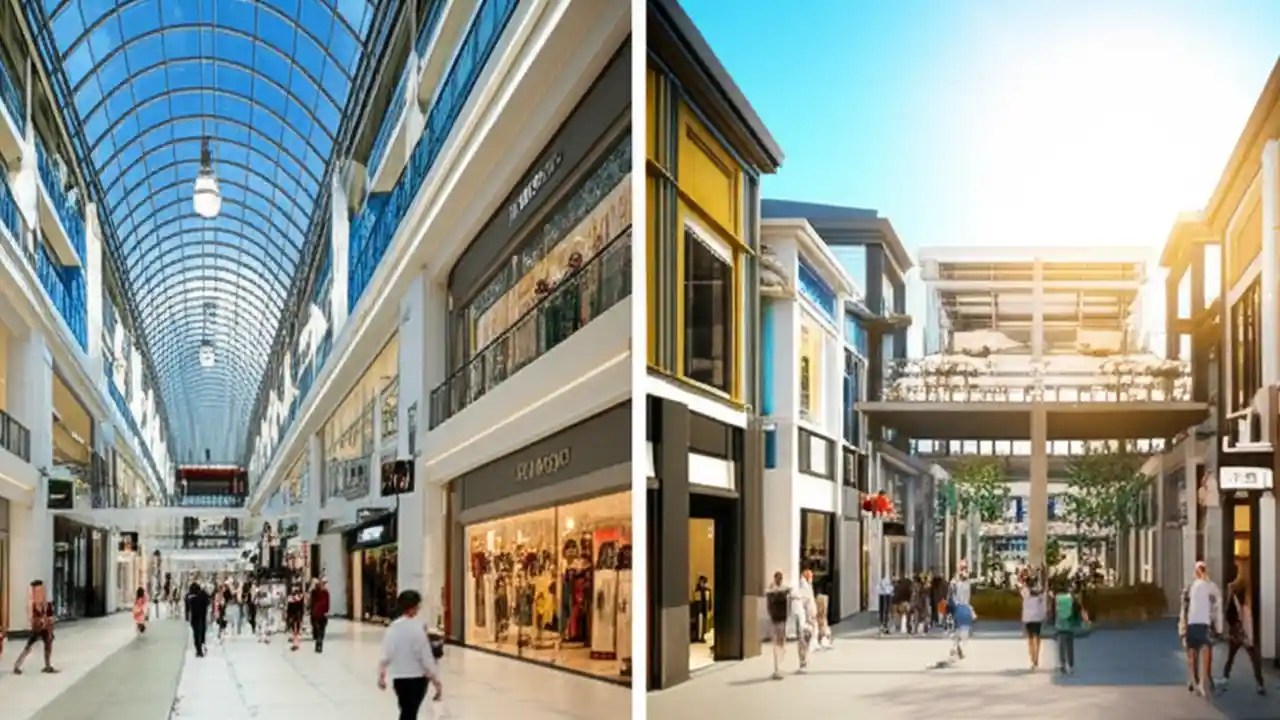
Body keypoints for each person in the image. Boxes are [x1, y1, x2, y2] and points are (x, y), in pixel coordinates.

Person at [378, 590, 443, 720]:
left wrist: (381, 675)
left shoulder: (393, 628)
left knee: (406, 710)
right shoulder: (418, 628)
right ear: (414, 607)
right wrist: (436, 681)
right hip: (417, 678)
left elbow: (386, 654)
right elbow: (425, 657)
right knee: (410, 712)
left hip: (399, 678)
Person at [1179, 560, 1223, 696]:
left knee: (1198, 652)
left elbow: (1217, 604)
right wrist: (1218, 626)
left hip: (1199, 624)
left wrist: (1217, 625)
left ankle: (1198, 681)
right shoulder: (1202, 587)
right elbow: (1184, 608)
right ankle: (1196, 680)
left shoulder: (1204, 586)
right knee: (1197, 653)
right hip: (1197, 624)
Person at [1219, 570, 1266, 695]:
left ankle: (1225, 677)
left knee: (1232, 655)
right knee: (1253, 657)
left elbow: (1227, 614)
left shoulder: (1234, 598)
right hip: (1243, 631)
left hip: (1237, 631)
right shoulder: (1243, 600)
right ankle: (1259, 683)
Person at [12, 580, 58, 674]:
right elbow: (31, 619)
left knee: (48, 645)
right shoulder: (32, 606)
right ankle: (17, 665)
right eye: (37, 592)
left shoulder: (47, 605)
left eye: (41, 591)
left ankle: (47, 665)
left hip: (46, 628)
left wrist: (49, 621)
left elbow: (51, 617)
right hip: (37, 629)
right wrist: (39, 621)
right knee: (28, 646)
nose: (39, 594)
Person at [1048, 580, 1088, 675]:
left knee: (1061, 646)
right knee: (1070, 646)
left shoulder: (1056, 599)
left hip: (1060, 625)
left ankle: (1062, 664)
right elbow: (1078, 609)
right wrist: (1083, 619)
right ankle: (1071, 665)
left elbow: (1052, 612)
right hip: (1070, 624)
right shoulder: (1071, 598)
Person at [764, 571, 792, 680]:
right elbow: (770, 603)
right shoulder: (773, 590)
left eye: (780, 578)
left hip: (781, 618)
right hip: (776, 618)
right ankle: (777, 668)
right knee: (777, 642)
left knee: (781, 641)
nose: (779, 580)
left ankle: (779, 666)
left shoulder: (782, 590)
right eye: (778, 578)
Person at [948, 562, 974, 662]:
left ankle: (957, 649)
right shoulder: (956, 582)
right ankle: (955, 648)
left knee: (961, 630)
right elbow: (951, 594)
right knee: (961, 629)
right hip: (960, 607)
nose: (965, 571)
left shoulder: (964, 581)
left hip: (964, 607)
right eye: (963, 568)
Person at [792, 568, 817, 672]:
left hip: (802, 618)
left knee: (803, 641)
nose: (812, 579)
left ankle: (803, 662)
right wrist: (811, 618)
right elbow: (809, 604)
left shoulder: (803, 586)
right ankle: (803, 662)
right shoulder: (805, 587)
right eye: (811, 577)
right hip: (805, 619)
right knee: (805, 640)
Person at [1020, 571, 1047, 670]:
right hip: (1036, 618)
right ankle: (1035, 658)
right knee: (1035, 638)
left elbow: (1041, 601)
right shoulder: (1035, 592)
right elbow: (1042, 603)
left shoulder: (1025, 591)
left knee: (1031, 638)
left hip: (1030, 618)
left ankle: (1034, 658)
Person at [185, 581, 212, 657]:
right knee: (202, 632)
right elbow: (208, 602)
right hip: (202, 616)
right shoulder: (203, 594)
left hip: (194, 617)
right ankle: (202, 646)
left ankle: (198, 649)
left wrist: (187, 616)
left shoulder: (189, 595)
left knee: (196, 633)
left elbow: (187, 607)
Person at [311, 578, 331, 653]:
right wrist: (327, 611)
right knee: (322, 630)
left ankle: (317, 645)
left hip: (315, 612)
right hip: (322, 613)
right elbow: (328, 603)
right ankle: (319, 645)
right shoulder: (326, 593)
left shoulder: (314, 592)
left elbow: (312, 602)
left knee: (318, 629)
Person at [287, 584, 306, 651]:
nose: (294, 589)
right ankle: (295, 643)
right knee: (294, 629)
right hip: (293, 614)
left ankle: (296, 643)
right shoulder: (291, 597)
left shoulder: (300, 596)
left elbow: (300, 604)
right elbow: (289, 607)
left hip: (297, 614)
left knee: (297, 630)